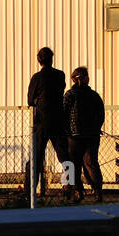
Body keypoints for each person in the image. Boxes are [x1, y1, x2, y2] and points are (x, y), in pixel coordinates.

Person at [24, 46, 67, 201]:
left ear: (39, 60)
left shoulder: (36, 78)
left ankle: (30, 193)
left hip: (41, 122)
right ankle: (69, 188)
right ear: (51, 59)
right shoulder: (60, 75)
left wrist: (37, 100)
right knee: (65, 157)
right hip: (58, 121)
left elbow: (30, 100)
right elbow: (60, 91)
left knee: (36, 157)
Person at [62, 67, 105, 203]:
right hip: (92, 135)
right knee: (91, 163)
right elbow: (101, 114)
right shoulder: (94, 96)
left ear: (74, 80)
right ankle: (97, 191)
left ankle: (75, 192)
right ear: (85, 78)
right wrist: (96, 127)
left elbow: (63, 113)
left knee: (72, 164)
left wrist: (66, 131)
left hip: (74, 136)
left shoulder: (70, 95)